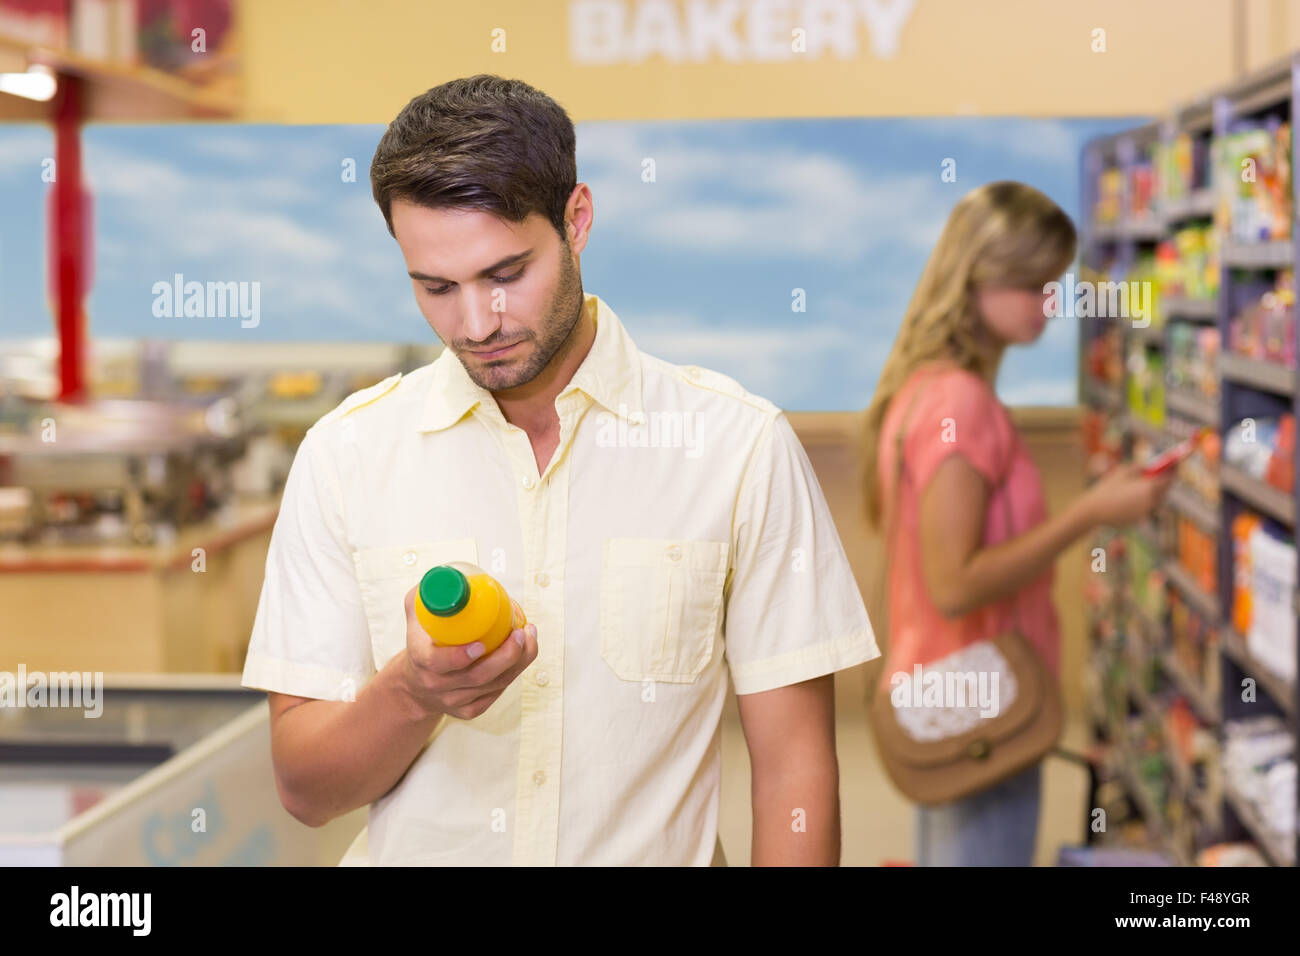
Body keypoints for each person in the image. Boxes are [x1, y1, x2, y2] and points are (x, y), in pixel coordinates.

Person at [241, 74, 880, 866]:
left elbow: (794, 769)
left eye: (506, 275)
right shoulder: (346, 456)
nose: (475, 325)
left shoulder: (737, 448)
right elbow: (306, 791)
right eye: (436, 287)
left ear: (576, 221)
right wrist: (413, 693)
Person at [857, 180, 1172, 866]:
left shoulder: (919, 389)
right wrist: (1089, 513)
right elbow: (954, 583)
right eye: (1033, 284)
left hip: (944, 695)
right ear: (978, 278)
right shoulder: (960, 402)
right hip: (983, 707)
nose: (1049, 304)